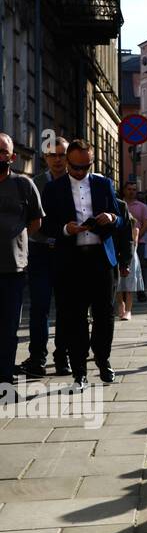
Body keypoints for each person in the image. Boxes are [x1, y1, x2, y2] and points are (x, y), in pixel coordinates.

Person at [40, 139, 125, 391]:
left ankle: (103, 359)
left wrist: (111, 217)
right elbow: (45, 225)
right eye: (75, 167)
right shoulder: (53, 189)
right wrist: (66, 229)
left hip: (101, 258)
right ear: (67, 162)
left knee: (104, 314)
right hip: (71, 260)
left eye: (85, 167)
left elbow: (121, 220)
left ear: (91, 162)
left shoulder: (103, 184)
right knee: (74, 316)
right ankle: (79, 371)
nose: (80, 172)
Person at [17, 137, 69, 378]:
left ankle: (63, 356)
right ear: (45, 158)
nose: (57, 160)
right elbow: (27, 221)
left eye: (62, 154)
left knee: (67, 307)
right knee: (39, 307)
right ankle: (37, 357)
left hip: (68, 254)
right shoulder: (35, 183)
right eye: (52, 155)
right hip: (40, 254)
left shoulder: (74, 183)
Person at [0, 133, 44, 391]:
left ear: (12, 157)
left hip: (13, 270)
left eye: (3, 152)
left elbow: (36, 221)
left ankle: (5, 380)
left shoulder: (24, 185)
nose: (0, 156)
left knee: (8, 329)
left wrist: (16, 239)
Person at [116, 204, 143, 320]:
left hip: (131, 259)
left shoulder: (135, 230)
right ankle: (121, 305)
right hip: (118, 257)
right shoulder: (118, 231)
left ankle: (128, 310)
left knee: (129, 286)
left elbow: (133, 243)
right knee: (117, 284)